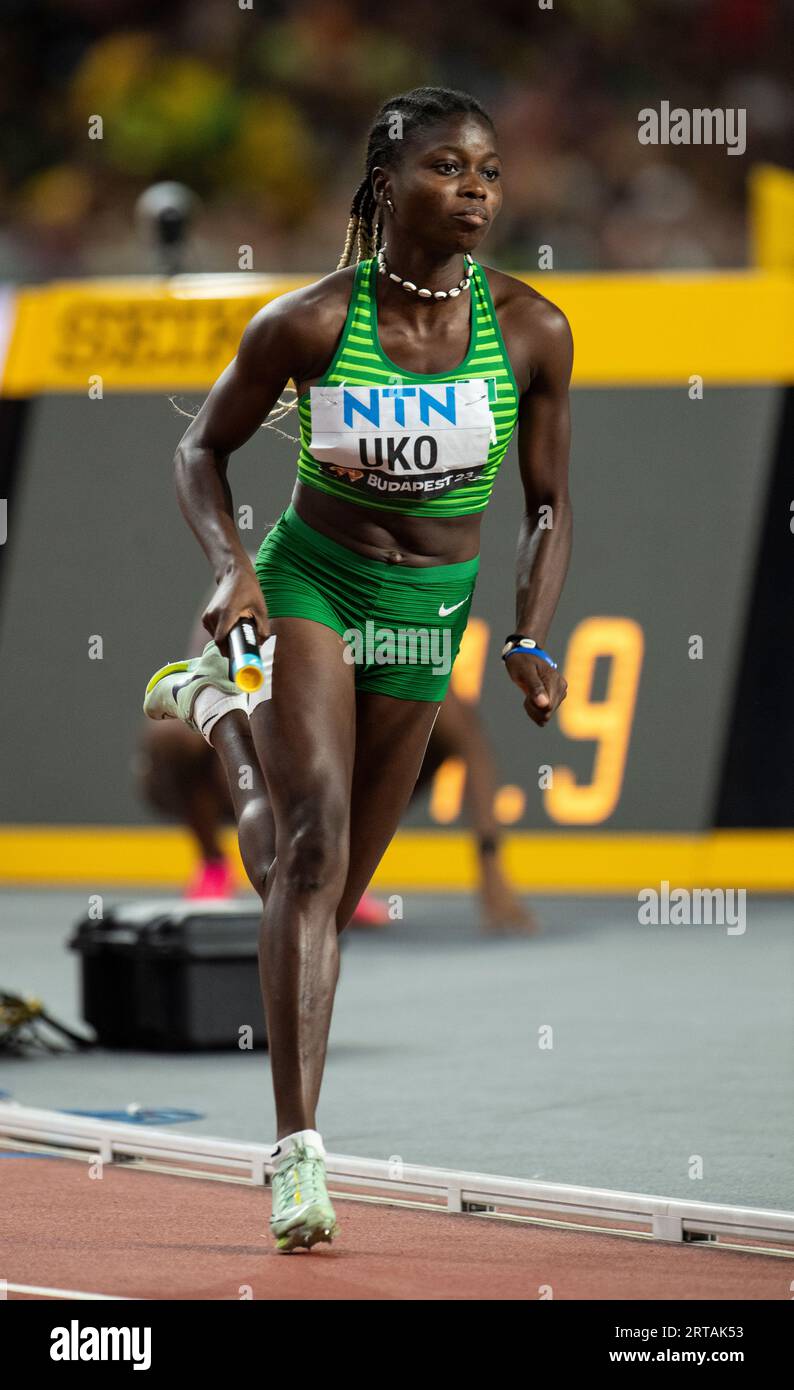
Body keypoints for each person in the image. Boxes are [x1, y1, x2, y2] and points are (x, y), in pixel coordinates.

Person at [142, 86, 572, 1252]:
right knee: (314, 843)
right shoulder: (310, 322)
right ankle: (297, 1154)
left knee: (310, 881)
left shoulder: (532, 328)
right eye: (446, 167)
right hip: (313, 583)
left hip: (427, 612)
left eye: (487, 170)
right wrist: (232, 567)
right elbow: (199, 447)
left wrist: (528, 635)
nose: (474, 189)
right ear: (387, 184)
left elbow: (547, 506)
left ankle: (218, 715)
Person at [137, 586, 538, 931]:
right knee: (172, 740)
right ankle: (214, 864)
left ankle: (336, 866)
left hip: (324, 786)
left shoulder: (376, 620)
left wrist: (490, 864)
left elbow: (469, 737)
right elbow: (203, 687)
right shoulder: (254, 588)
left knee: (436, 713)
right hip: (240, 774)